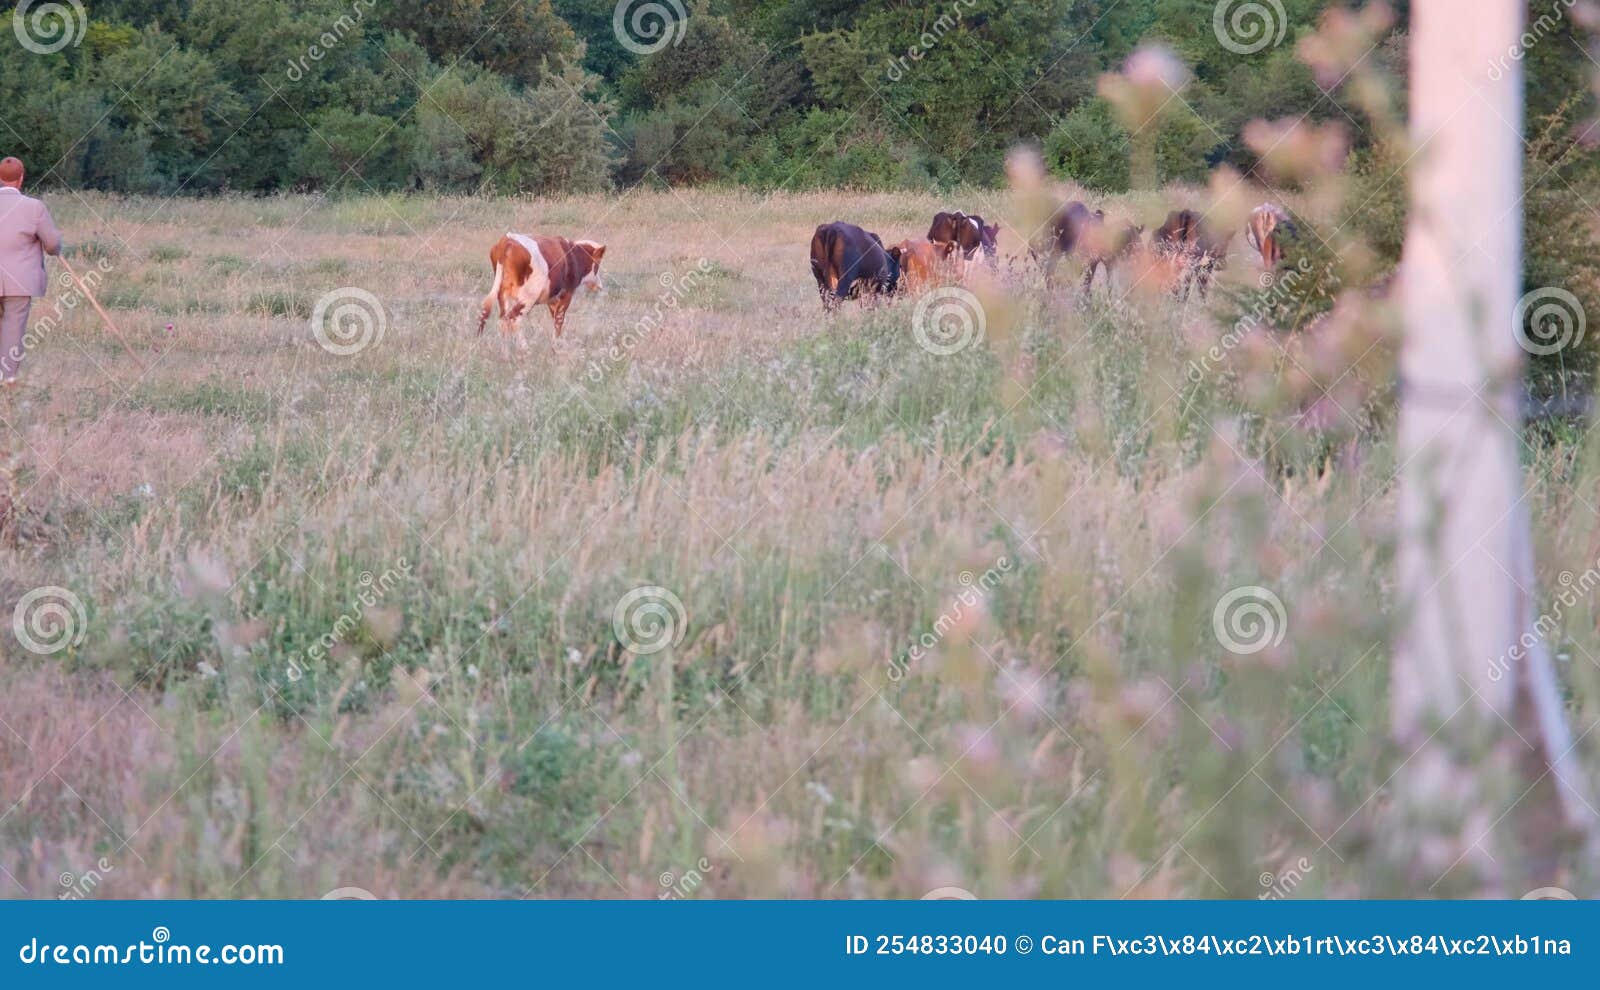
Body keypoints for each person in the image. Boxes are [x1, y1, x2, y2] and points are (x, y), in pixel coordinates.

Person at [0, 157, 62, 387]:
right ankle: (7, 379)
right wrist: (55, 248)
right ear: (21, 178)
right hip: (20, 282)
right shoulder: (34, 207)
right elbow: (53, 245)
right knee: (12, 329)